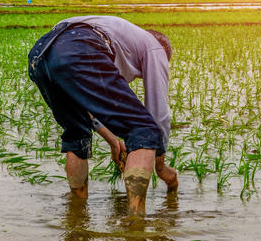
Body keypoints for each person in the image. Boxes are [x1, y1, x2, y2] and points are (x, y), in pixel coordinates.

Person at [28, 16, 178, 217]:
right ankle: (136, 223)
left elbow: (90, 103)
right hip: (79, 46)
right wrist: (161, 167)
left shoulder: (119, 39)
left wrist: (113, 141)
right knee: (144, 129)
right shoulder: (154, 48)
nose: (140, 76)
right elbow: (158, 115)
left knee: (77, 133)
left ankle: (77, 214)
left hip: (41, 55)